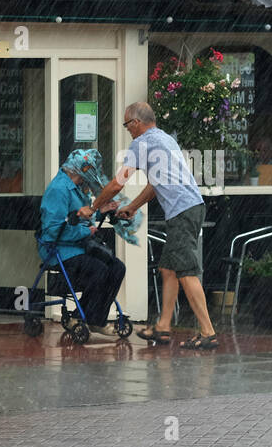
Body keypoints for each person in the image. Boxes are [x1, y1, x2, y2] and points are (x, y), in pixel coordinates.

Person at [112, 101, 218, 348]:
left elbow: (118, 183)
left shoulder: (142, 143)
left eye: (127, 124)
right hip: (190, 208)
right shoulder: (165, 140)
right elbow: (154, 185)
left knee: (186, 272)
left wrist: (95, 206)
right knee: (169, 269)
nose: (127, 129)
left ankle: (208, 332)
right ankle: (163, 327)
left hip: (182, 211)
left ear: (137, 123)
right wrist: (133, 206)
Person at [38, 148, 125, 336]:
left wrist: (102, 211)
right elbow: (53, 230)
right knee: (99, 270)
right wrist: (84, 231)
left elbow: (84, 216)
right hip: (60, 248)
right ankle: (85, 316)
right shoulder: (58, 189)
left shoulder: (77, 187)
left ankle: (94, 318)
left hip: (79, 245)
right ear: (79, 169)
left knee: (117, 267)